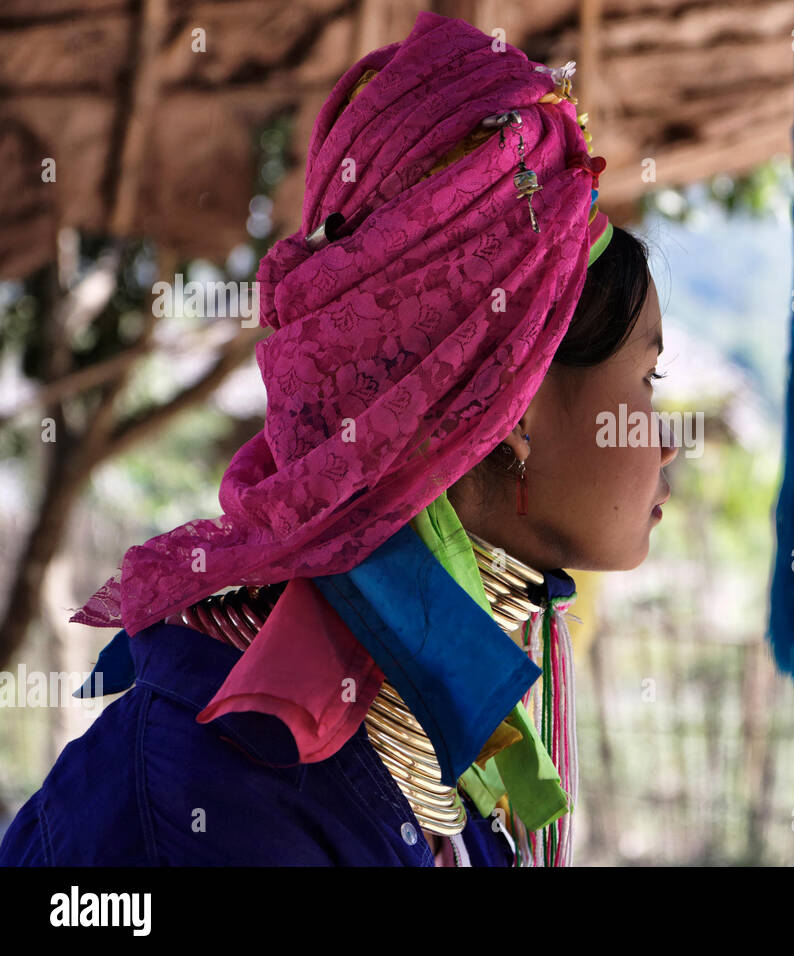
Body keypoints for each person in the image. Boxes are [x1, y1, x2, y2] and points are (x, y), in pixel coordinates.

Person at [0, 12, 676, 867]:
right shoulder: (208, 805)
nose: (667, 442)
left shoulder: (436, 761)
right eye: (647, 382)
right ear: (520, 410)